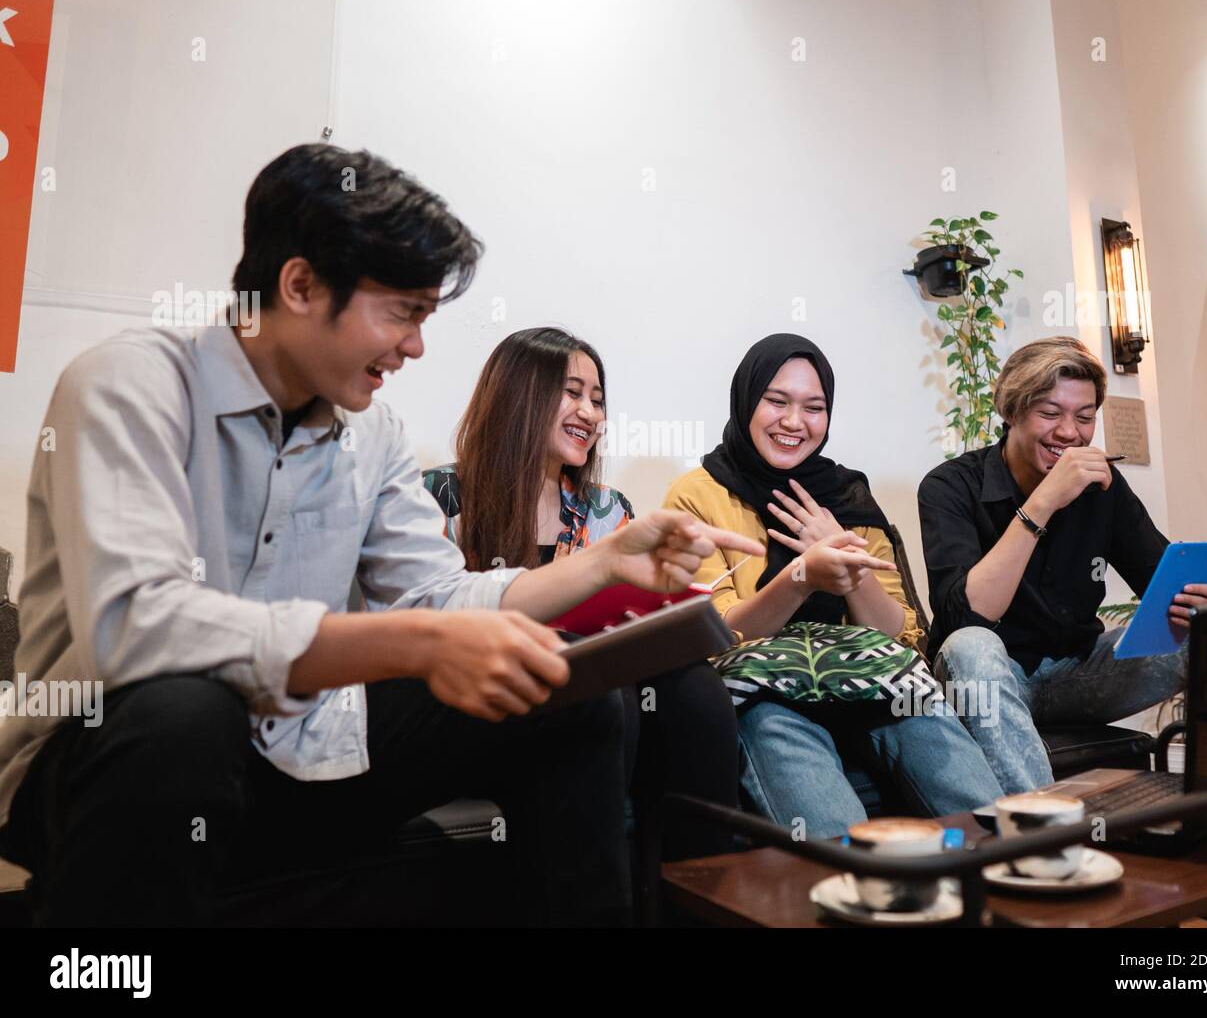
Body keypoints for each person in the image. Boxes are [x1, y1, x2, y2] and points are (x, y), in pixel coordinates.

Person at [0, 144, 761, 927]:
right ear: (299, 285)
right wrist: (418, 645)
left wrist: (605, 561)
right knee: (182, 712)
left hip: (303, 749)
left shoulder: (375, 434)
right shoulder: (131, 387)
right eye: (403, 312)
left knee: (569, 696)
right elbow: (135, 627)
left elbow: (435, 592)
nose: (416, 346)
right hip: (110, 762)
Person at [918, 335, 1207, 926]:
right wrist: (1041, 505)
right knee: (972, 645)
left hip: (1075, 674)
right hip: (984, 679)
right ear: (1011, 410)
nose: (1069, 433)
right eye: (1049, 413)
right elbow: (968, 616)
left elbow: (1159, 577)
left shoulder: (1105, 488)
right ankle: (1056, 860)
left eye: (1084, 417)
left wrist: (1197, 605)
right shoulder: (949, 487)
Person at [663, 333, 1004, 839]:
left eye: (814, 407)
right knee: (794, 759)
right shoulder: (696, 495)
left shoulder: (847, 496)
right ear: (745, 399)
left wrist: (851, 568)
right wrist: (801, 578)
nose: (794, 422)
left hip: (869, 684)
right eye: (776, 401)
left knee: (978, 805)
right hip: (765, 695)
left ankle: (1010, 891)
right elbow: (716, 636)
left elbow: (900, 636)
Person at [424, 326, 739, 861]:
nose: (591, 414)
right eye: (573, 393)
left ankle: (702, 889)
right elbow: (428, 615)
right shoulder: (442, 495)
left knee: (698, 689)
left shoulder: (608, 509)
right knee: (602, 692)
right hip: (490, 696)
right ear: (518, 392)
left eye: (598, 399)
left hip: (605, 685)